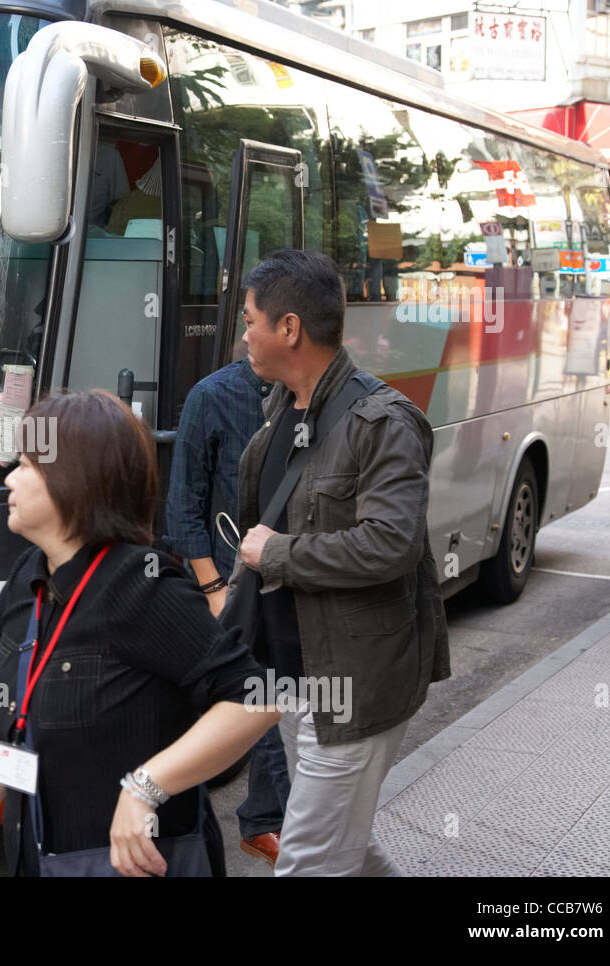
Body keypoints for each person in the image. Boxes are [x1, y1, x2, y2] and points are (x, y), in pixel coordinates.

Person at [0, 390, 278, 877]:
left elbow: (258, 698)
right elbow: (1, 732)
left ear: (72, 479)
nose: (9, 477)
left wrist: (145, 787)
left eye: (26, 465)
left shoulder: (141, 584)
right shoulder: (25, 581)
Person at [217, 248, 448, 876]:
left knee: (308, 860)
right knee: (338, 841)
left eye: (250, 319)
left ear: (289, 328)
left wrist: (279, 554)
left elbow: (391, 543)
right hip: (301, 677)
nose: (244, 334)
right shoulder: (283, 409)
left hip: (356, 683)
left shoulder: (383, 423)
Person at [166, 356, 291, 868]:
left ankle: (263, 818)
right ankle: (274, 821)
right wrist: (215, 588)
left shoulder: (313, 398)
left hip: (289, 574)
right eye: (243, 319)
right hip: (227, 583)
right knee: (257, 693)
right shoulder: (211, 396)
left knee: (277, 695)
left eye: (252, 319)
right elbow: (183, 505)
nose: (245, 333)